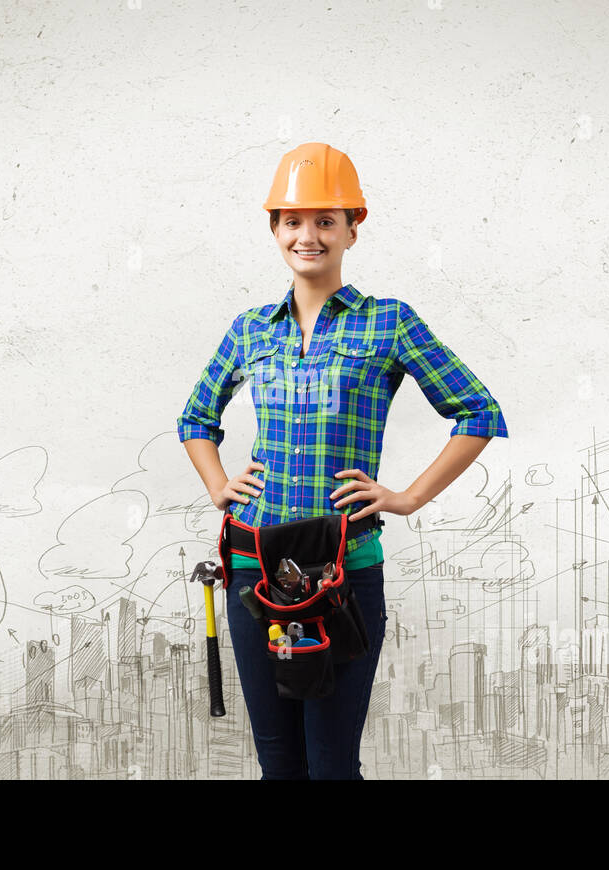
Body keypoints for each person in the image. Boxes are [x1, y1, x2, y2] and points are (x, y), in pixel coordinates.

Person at [176, 142, 508, 779]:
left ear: (354, 227)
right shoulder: (251, 329)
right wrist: (219, 484)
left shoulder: (389, 323)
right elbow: (196, 419)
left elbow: (479, 413)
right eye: (294, 221)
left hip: (344, 573)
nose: (309, 235)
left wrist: (407, 497)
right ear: (275, 229)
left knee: (330, 766)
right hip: (254, 567)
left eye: (326, 220)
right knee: (279, 763)